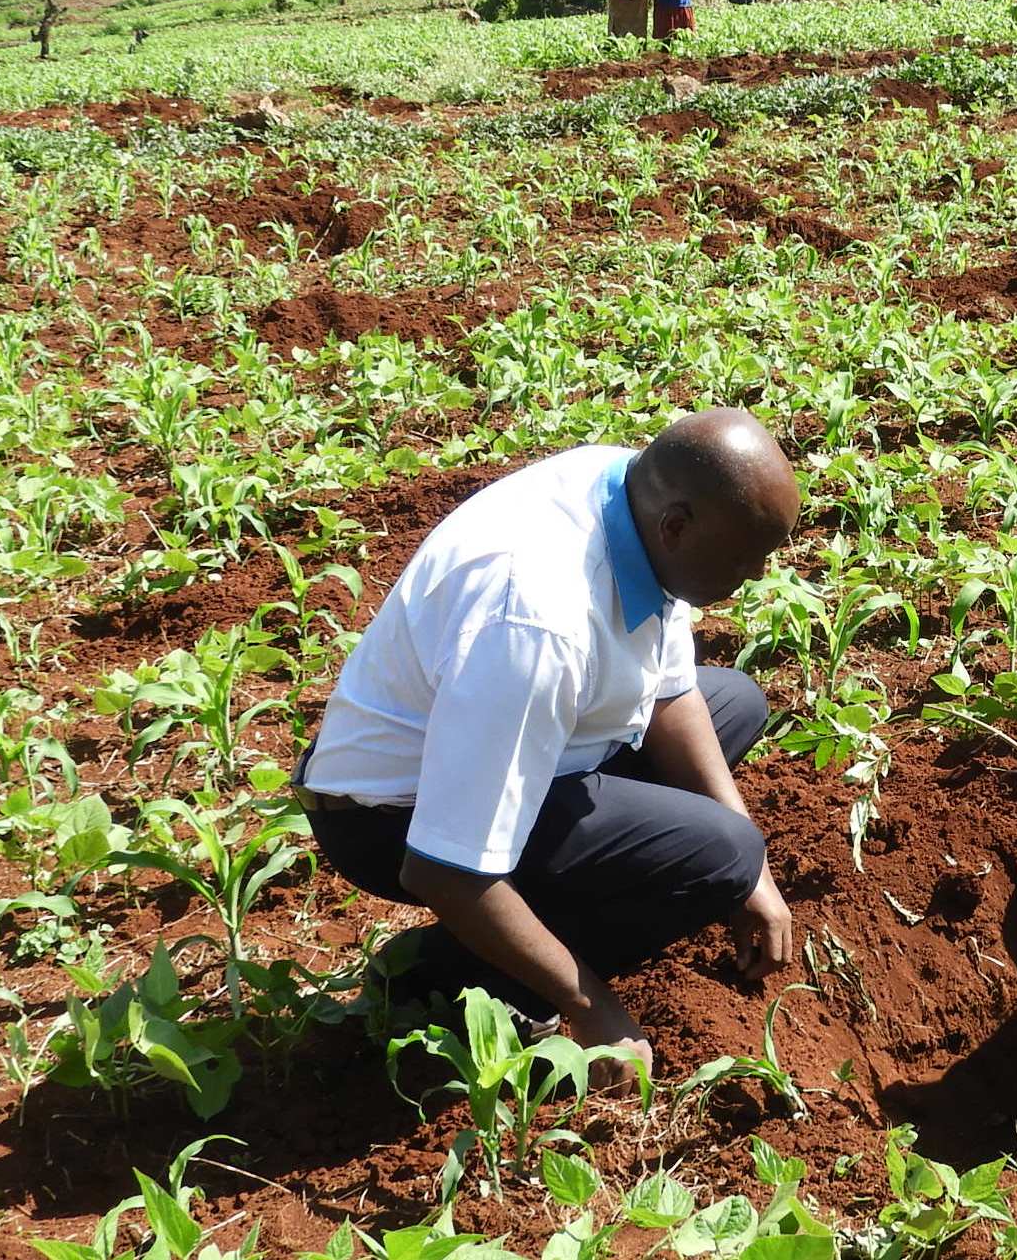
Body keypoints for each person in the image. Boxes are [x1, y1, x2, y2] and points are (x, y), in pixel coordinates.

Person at [299, 410, 804, 1061]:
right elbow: (442, 869)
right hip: (390, 817)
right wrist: (593, 1008)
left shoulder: (631, 492)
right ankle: (441, 975)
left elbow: (670, 690)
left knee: (734, 705)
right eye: (744, 556)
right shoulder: (536, 620)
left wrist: (758, 878)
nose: (758, 574)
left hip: (516, 736)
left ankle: (539, 911)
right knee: (720, 851)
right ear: (676, 527)